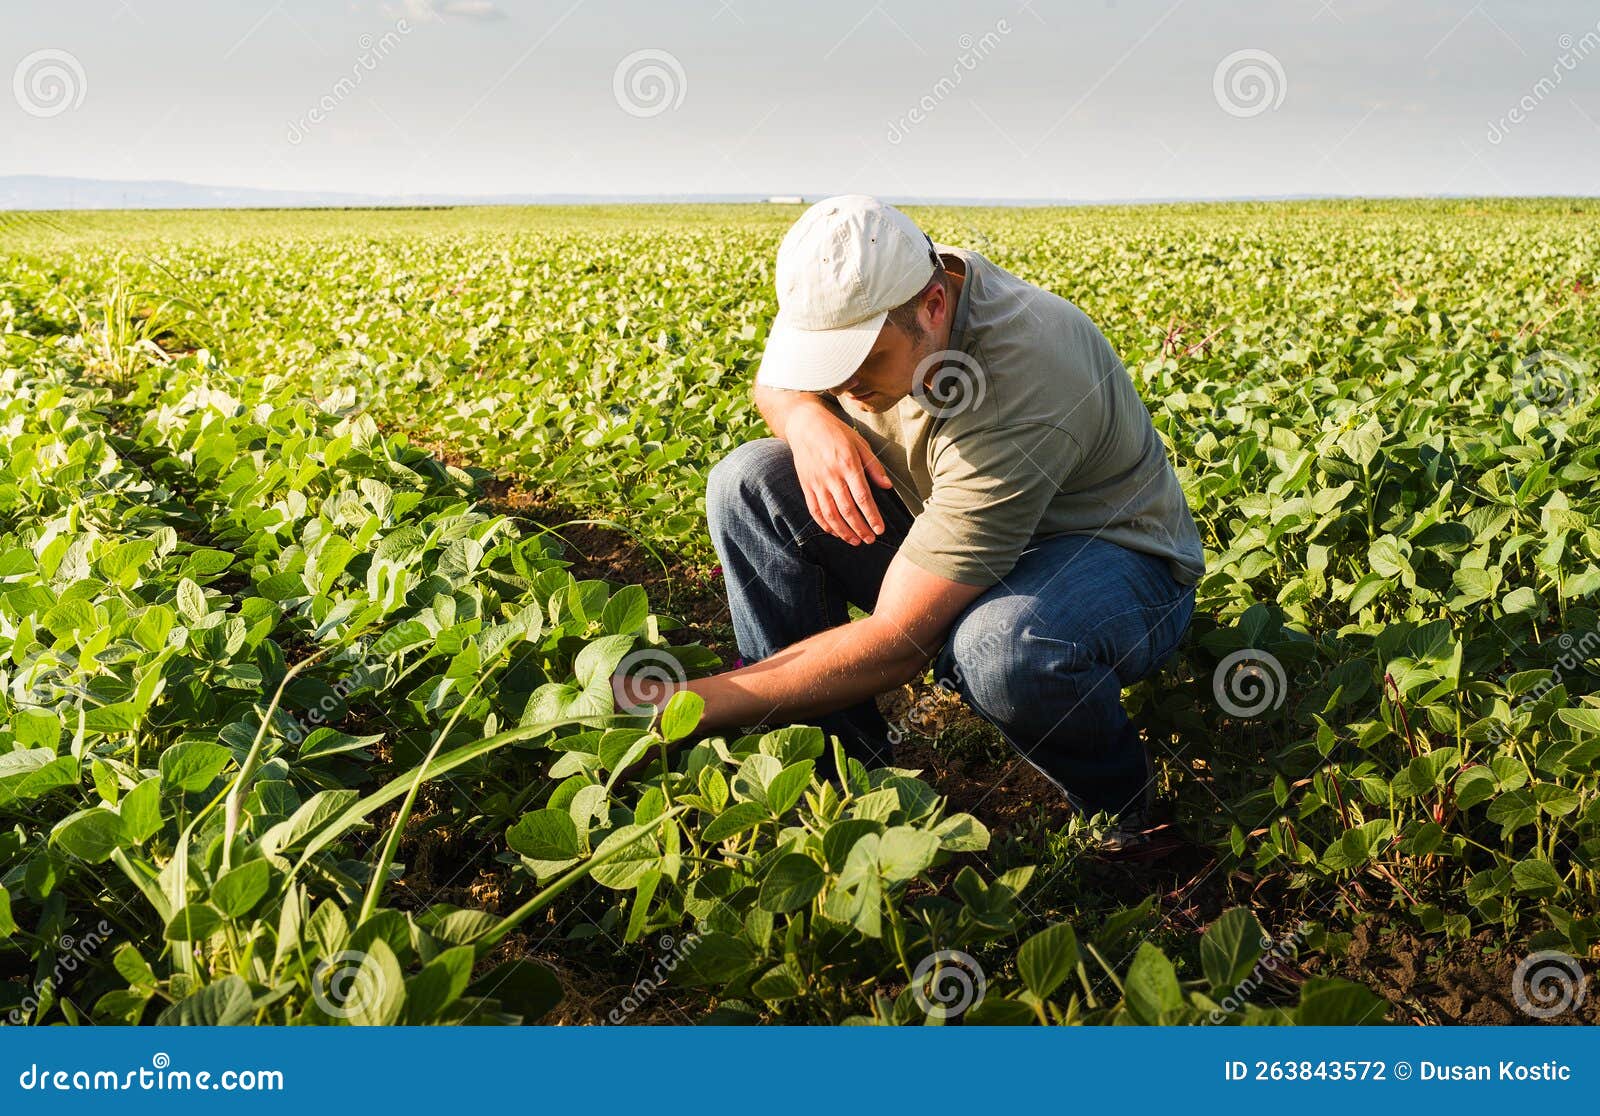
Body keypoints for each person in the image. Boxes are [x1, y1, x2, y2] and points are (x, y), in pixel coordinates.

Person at [622, 195, 1204, 830]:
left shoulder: (1022, 377)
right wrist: (805, 418)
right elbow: (778, 381)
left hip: (1106, 561)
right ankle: (833, 794)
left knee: (1001, 646)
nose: (843, 387)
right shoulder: (862, 294)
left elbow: (899, 644)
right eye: (826, 364)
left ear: (934, 306)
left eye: (861, 363)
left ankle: (1122, 816)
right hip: (951, 524)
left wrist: (693, 706)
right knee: (749, 481)